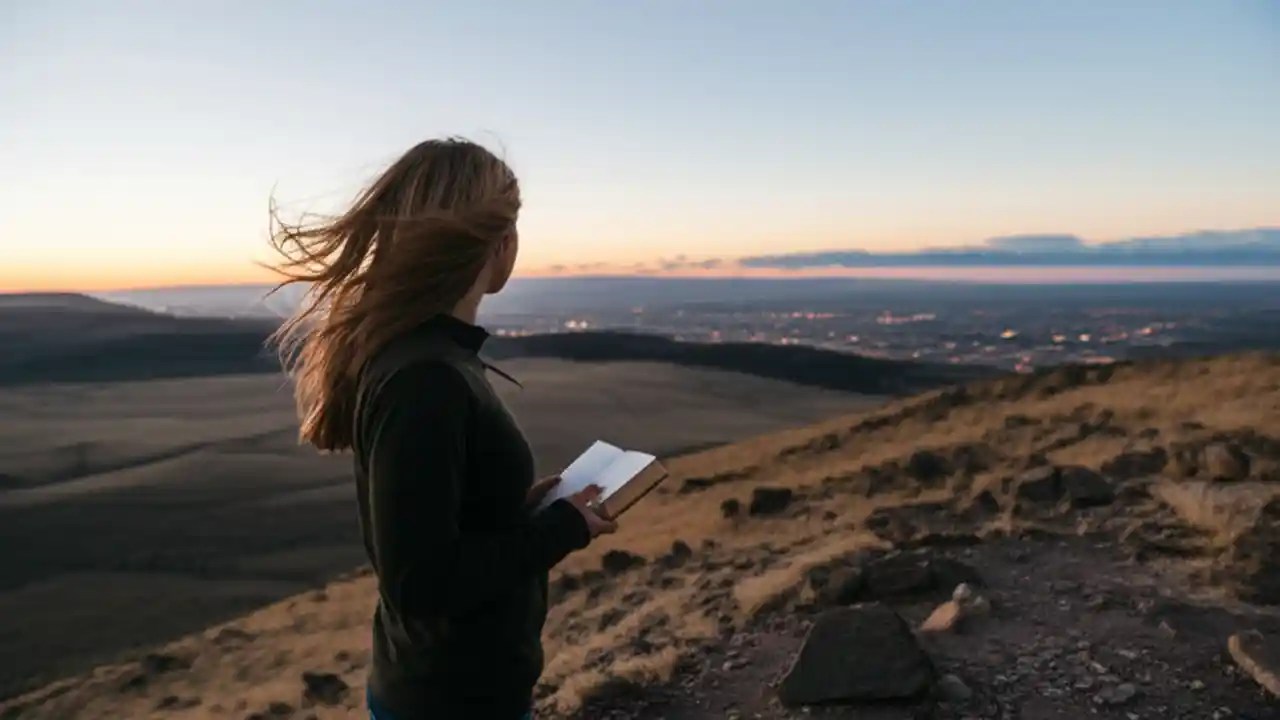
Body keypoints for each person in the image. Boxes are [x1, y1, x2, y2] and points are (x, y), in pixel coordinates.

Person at [268, 137, 617, 719]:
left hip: (448, 690)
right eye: (512, 226)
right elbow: (422, 584)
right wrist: (561, 528)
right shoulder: (425, 378)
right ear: (493, 242)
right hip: (451, 701)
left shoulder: (424, 357)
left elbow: (441, 530)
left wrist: (518, 508)